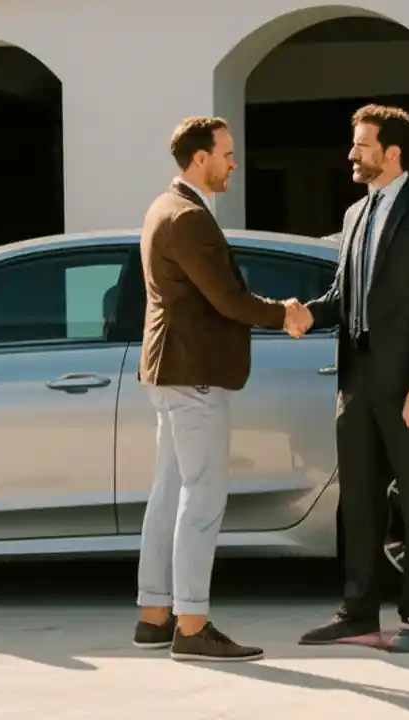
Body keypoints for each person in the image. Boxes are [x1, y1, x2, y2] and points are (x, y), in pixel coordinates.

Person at [132, 115, 310, 662]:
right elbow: (228, 299)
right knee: (202, 497)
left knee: (170, 492)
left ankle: (154, 616)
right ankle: (191, 625)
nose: (234, 163)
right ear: (199, 158)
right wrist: (284, 312)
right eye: (226, 154)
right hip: (194, 375)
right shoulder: (187, 217)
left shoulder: (163, 207)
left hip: (171, 371)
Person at [290, 104, 409, 653]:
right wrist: (305, 314)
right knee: (359, 501)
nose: (351, 154)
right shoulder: (354, 215)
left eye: (362, 145)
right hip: (356, 380)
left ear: (392, 153)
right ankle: (358, 613)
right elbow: (343, 297)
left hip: (408, 382)